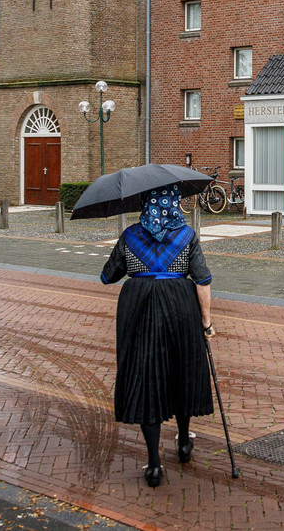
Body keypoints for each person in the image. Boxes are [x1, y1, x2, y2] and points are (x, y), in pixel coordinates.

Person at [100, 184, 214, 488]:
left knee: (146, 378)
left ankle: (153, 463)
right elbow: (202, 280)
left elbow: (107, 276)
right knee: (182, 371)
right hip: (180, 305)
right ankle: (183, 444)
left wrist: (132, 261)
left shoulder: (130, 235)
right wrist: (206, 321)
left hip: (139, 309)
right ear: (174, 202)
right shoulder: (186, 235)